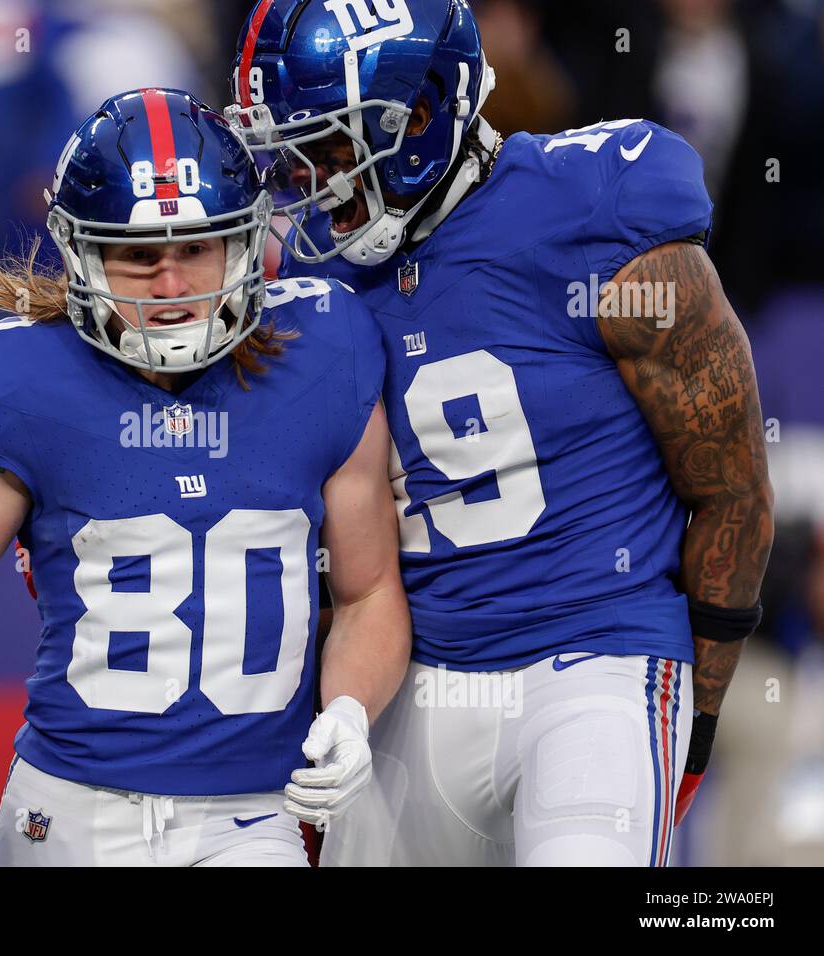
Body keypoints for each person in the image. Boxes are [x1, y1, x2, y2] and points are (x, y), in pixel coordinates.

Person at [227, 0, 772, 866]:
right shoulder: (304, 275)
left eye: (331, 146)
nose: (309, 179)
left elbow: (731, 487)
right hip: (414, 682)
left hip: (597, 659)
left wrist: (695, 720)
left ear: (422, 113)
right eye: (292, 149)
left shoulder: (600, 208)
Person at [0, 88, 412, 866]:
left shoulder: (321, 358)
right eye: (139, 255)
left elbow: (368, 595)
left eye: (196, 247)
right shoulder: (24, 385)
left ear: (244, 241)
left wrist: (353, 710)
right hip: (63, 811)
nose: (172, 287)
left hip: (248, 820)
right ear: (82, 252)